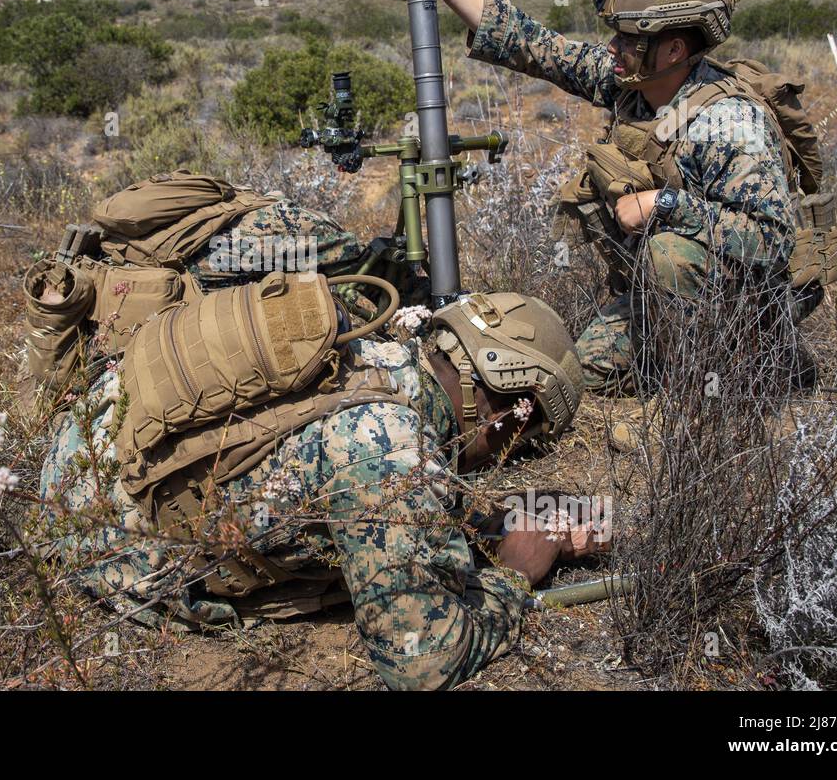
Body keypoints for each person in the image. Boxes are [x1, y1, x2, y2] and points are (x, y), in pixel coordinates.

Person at [39, 289, 602, 691]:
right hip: (98, 544)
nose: (513, 455)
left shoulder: (378, 353)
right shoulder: (394, 449)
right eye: (528, 438)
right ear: (508, 411)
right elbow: (421, 663)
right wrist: (516, 574)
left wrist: (480, 522)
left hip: (77, 459)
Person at [396, 0, 813, 400]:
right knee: (577, 380)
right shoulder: (633, 83)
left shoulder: (730, 122)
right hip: (661, 296)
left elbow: (773, 238)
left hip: (743, 300)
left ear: (673, 49)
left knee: (669, 253)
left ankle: (730, 377)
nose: (612, 48)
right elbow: (535, 46)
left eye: (628, 39)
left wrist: (665, 203)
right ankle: (667, 353)